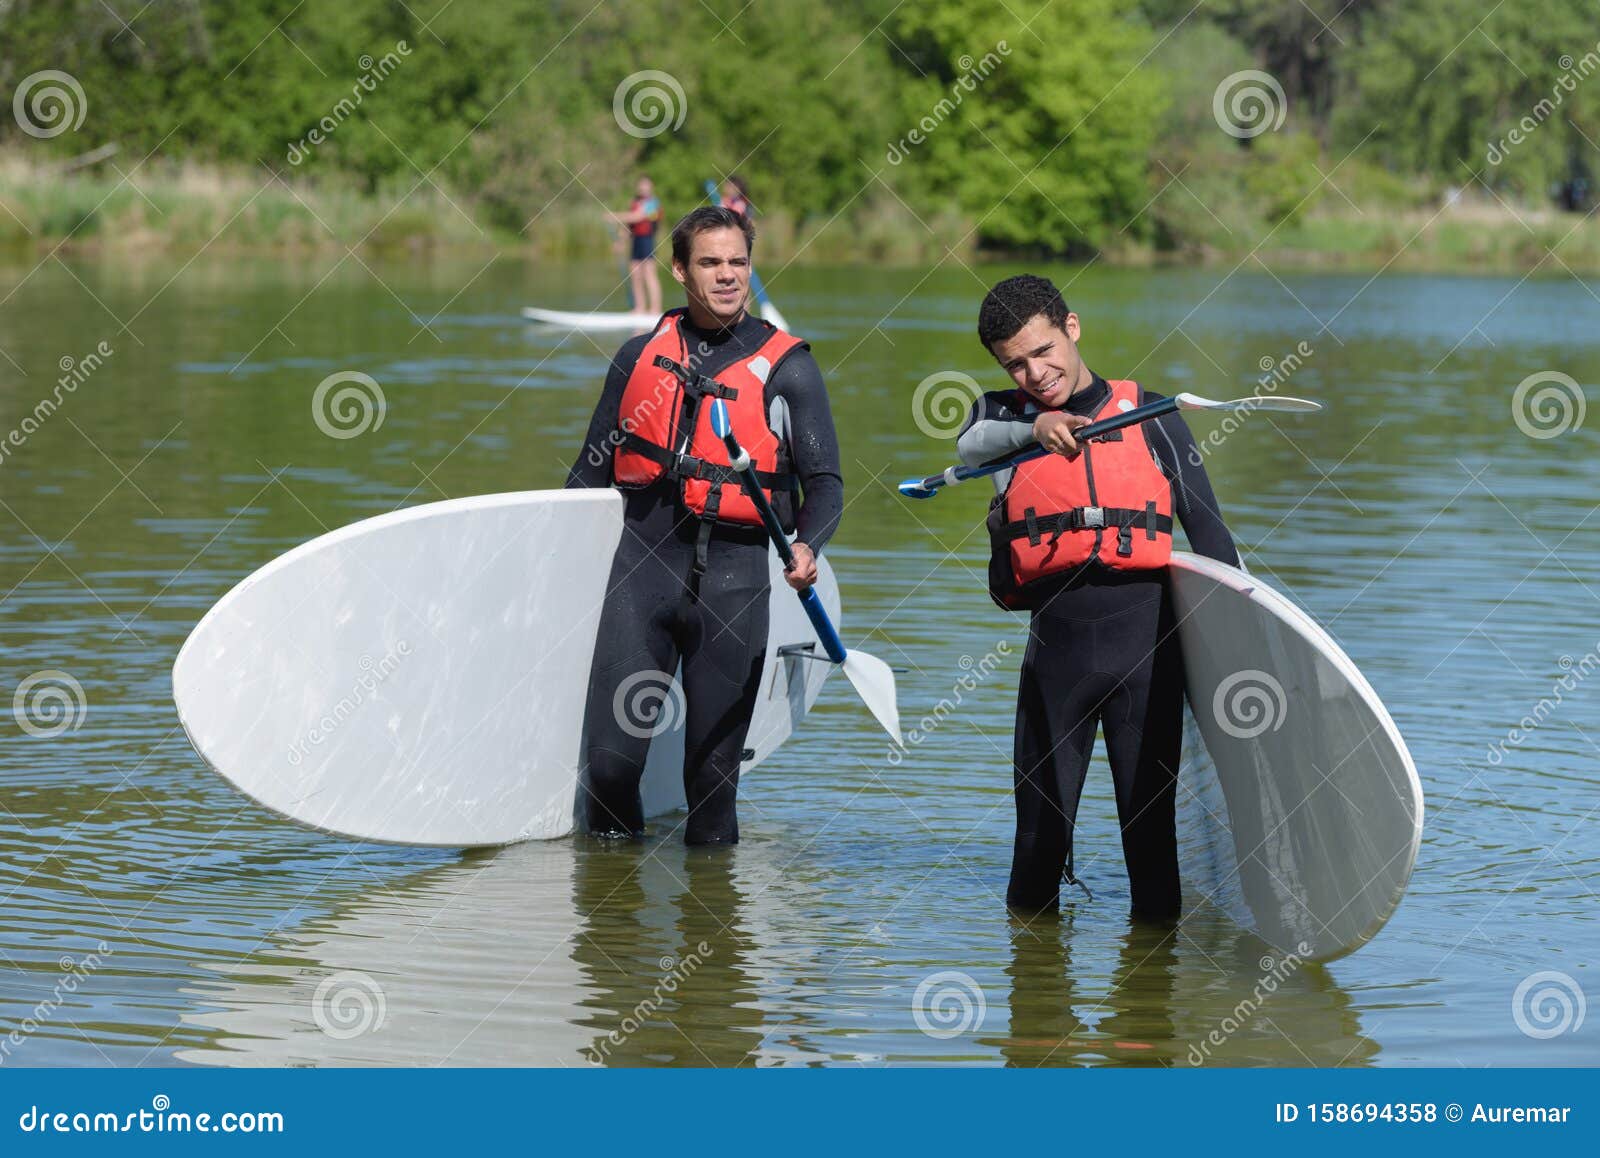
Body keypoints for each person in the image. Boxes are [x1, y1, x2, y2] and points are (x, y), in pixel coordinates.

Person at [955, 274, 1239, 919]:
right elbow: (968, 445)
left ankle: (1149, 1010)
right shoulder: (1000, 418)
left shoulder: (1157, 417)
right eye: (1016, 363)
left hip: (1151, 660)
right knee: (1036, 853)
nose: (1036, 372)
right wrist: (1038, 428)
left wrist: (1242, 660)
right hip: (1058, 662)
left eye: (1045, 349)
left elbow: (1215, 541)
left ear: (1072, 327)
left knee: (1151, 850)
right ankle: (1034, 1004)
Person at [566, 206, 843, 844]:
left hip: (734, 586)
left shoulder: (788, 368)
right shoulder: (637, 358)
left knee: (712, 783)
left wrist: (807, 544)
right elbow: (588, 474)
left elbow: (824, 484)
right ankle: (617, 926)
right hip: (642, 576)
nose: (727, 276)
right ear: (679, 270)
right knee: (609, 771)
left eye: (738, 262)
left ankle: (712, 935)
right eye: (711, 263)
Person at [608, 175, 663, 317]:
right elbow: (629, 226)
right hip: (636, 240)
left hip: (647, 240)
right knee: (635, 274)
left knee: (649, 274)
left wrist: (614, 216)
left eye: (646, 185)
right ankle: (639, 308)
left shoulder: (653, 203)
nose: (643, 187)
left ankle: (655, 309)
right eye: (641, 185)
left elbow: (637, 217)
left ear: (651, 187)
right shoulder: (634, 202)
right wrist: (620, 242)